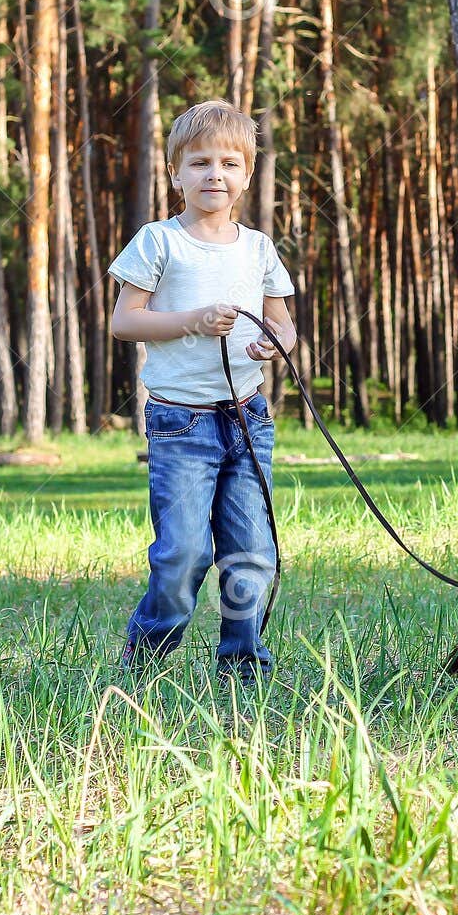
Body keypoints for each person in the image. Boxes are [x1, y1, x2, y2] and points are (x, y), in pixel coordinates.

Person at [108, 100, 298, 685]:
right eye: (199, 163)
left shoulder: (258, 247)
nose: (214, 174)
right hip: (180, 424)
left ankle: (242, 668)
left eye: (228, 163)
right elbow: (124, 322)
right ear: (175, 174)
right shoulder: (157, 241)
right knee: (183, 554)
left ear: (247, 175)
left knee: (253, 554)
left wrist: (274, 343)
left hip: (248, 419)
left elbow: (283, 323)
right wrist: (192, 321)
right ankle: (145, 662)